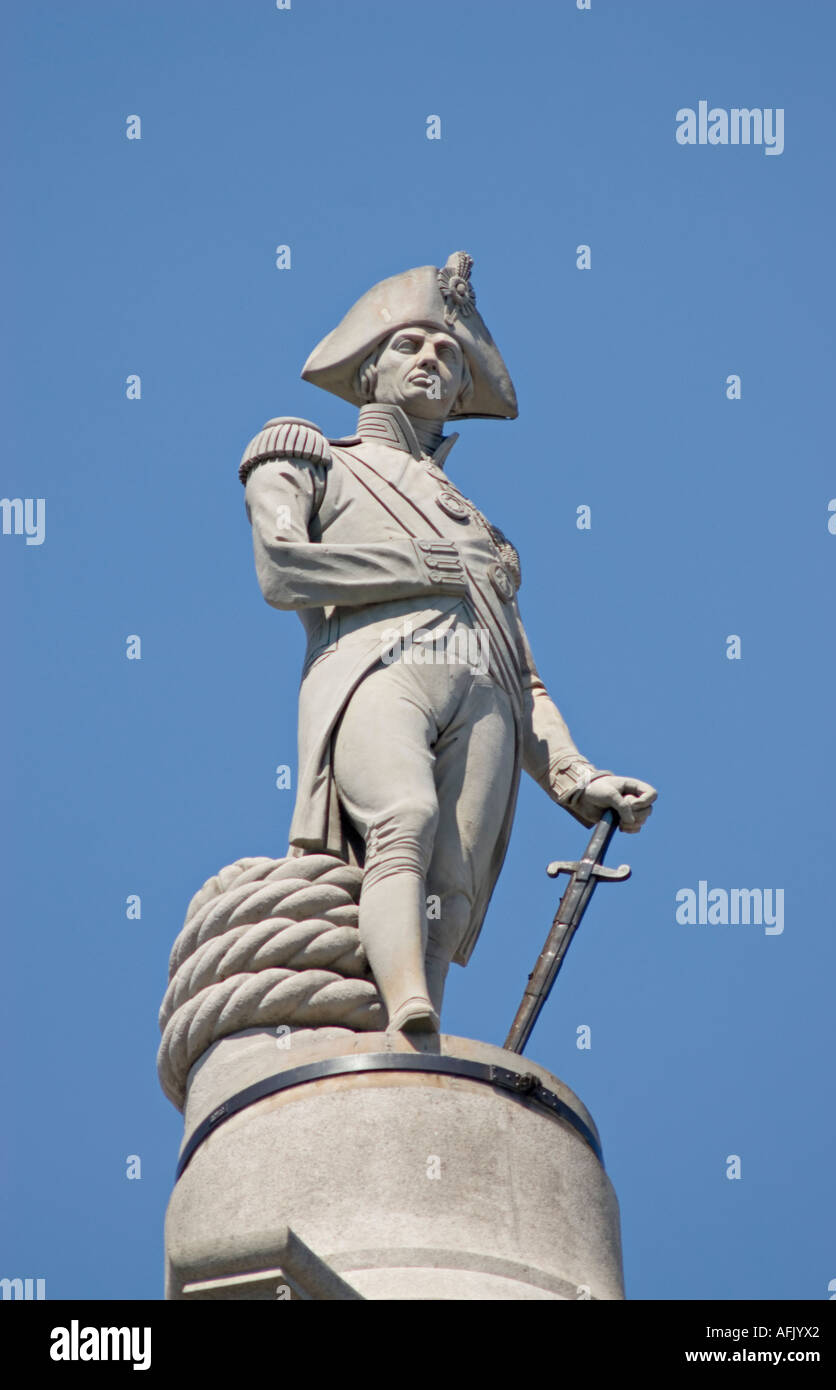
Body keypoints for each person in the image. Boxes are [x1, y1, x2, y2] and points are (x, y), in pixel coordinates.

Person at [240, 252, 656, 1034]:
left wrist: (575, 777)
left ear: (463, 391)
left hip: (487, 694)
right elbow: (283, 569)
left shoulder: (484, 528)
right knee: (404, 814)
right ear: (367, 368)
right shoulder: (309, 451)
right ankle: (407, 1008)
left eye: (448, 353)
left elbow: (526, 678)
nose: (430, 358)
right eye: (409, 345)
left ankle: (415, 1042)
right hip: (377, 663)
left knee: (453, 884)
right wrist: (417, 565)